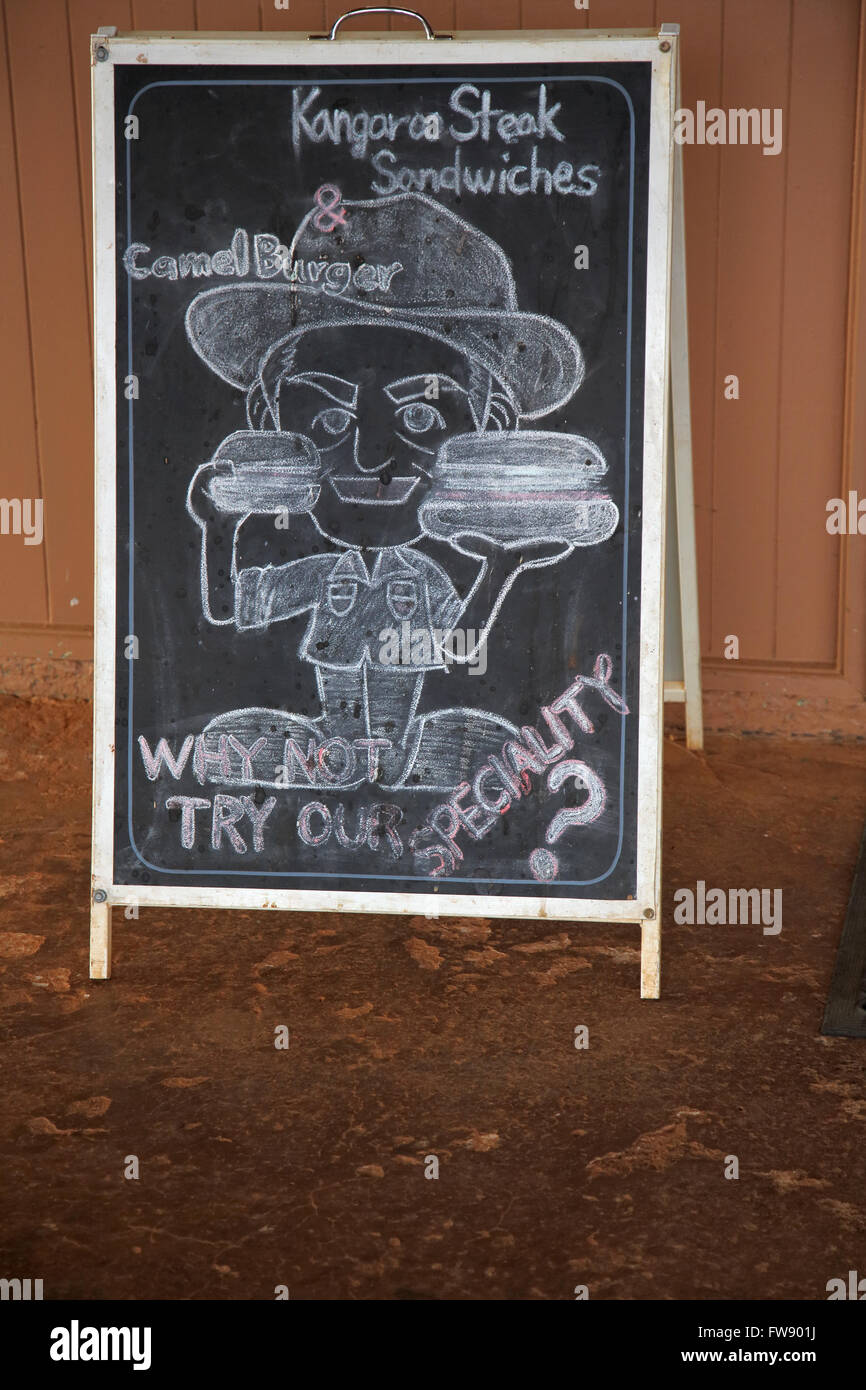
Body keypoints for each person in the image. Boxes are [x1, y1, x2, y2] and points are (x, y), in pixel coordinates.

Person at [185, 191, 603, 791]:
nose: (371, 456)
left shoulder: (425, 579)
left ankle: (400, 758)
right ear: (268, 420)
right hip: (325, 753)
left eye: (422, 418)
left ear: (492, 431)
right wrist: (218, 525)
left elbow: (460, 651)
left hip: (410, 760)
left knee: (480, 755)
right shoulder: (325, 574)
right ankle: (338, 756)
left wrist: (500, 566)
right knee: (229, 743)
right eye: (329, 421)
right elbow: (227, 607)